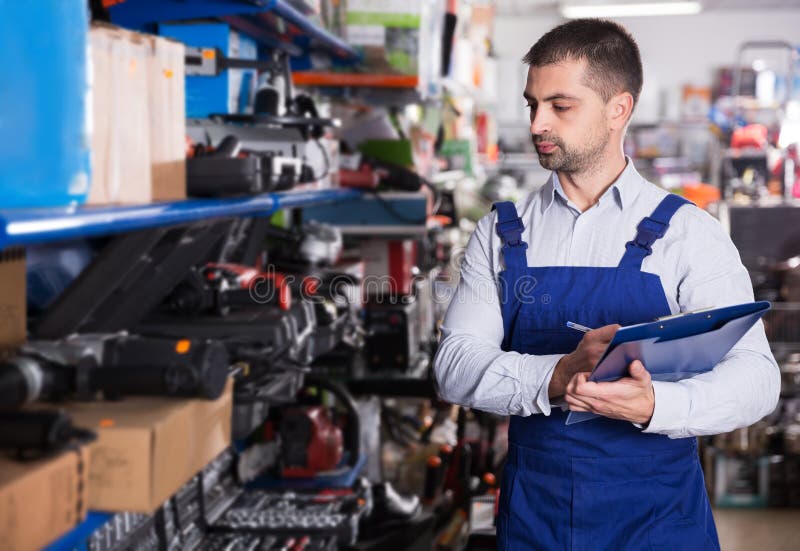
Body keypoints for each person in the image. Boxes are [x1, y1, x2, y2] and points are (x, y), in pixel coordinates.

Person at [434, 18, 780, 550]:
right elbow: (455, 367)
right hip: (535, 515)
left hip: (658, 521)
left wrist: (656, 406)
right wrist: (558, 373)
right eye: (532, 104)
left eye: (560, 105)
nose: (536, 123)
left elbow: (757, 377)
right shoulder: (502, 233)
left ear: (619, 109)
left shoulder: (688, 234)